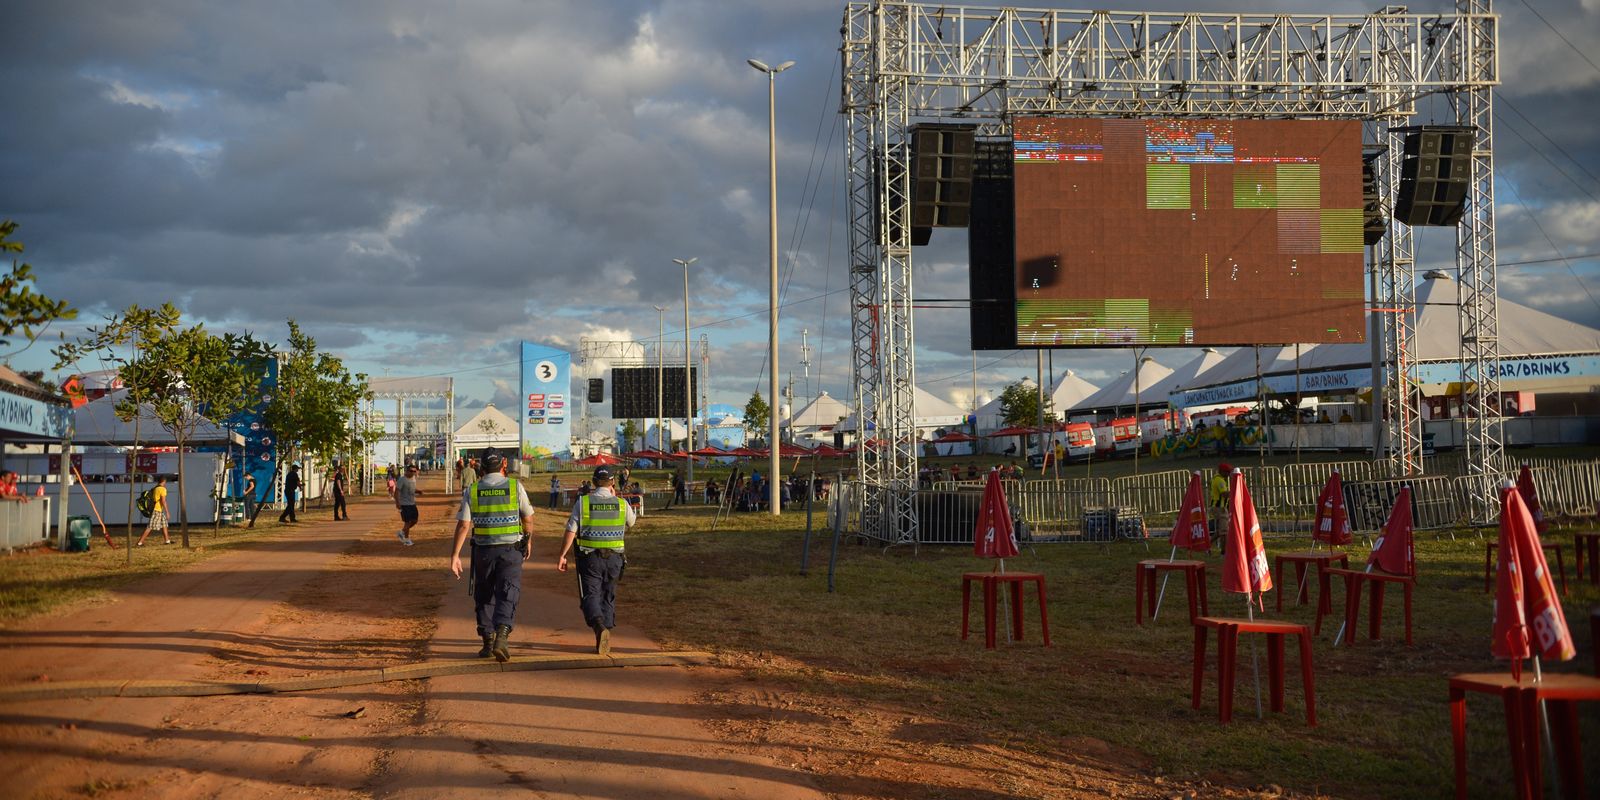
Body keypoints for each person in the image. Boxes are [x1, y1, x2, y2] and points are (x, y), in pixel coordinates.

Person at [448, 453, 536, 661]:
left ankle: (488, 641)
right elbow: (528, 518)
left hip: (483, 550)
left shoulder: (473, 490)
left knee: (484, 593)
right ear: (503, 465)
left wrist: (455, 555)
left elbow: (463, 525)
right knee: (508, 591)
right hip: (511, 550)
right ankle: (502, 637)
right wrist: (528, 540)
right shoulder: (516, 487)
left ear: (481, 467)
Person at [557, 466, 637, 654]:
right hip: (615, 560)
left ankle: (599, 626)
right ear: (612, 483)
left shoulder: (583, 503)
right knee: (608, 595)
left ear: (593, 482)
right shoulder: (621, 504)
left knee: (590, 595)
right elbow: (631, 522)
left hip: (590, 558)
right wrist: (617, 497)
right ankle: (606, 631)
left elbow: (571, 531)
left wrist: (562, 555)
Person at [136, 476, 171, 546]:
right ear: (164, 482)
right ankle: (140, 542)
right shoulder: (163, 489)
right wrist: (167, 512)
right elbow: (163, 501)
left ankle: (167, 541)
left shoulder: (155, 488)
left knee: (164, 524)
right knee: (150, 527)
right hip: (157, 510)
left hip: (158, 510)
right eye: (165, 482)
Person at [394, 464, 421, 545]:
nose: (412, 473)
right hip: (404, 504)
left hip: (412, 503)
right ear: (407, 471)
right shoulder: (402, 480)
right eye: (411, 471)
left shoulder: (413, 478)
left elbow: (412, 489)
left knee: (415, 520)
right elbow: (396, 492)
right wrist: (397, 503)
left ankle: (401, 532)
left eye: (414, 471)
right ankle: (406, 539)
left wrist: (418, 491)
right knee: (407, 522)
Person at [1209, 463, 1232, 554]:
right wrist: (1235, 490)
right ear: (1221, 471)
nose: (1228, 474)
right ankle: (1224, 551)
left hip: (1218, 507)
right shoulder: (1220, 481)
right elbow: (1224, 494)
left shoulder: (1217, 478)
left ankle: (1207, 544)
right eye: (1227, 472)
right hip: (1220, 508)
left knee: (1221, 530)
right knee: (1224, 531)